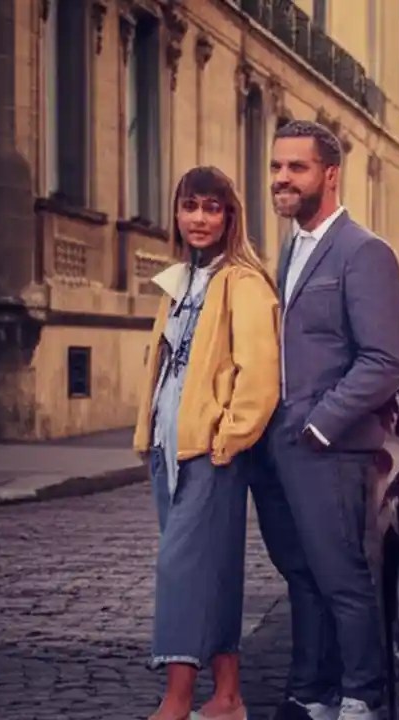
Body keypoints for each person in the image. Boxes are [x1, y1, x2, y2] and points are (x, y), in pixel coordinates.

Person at [252, 120, 399, 720]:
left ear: (330, 175)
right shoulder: (293, 247)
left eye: (297, 168)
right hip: (282, 446)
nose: (282, 179)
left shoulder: (365, 253)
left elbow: (384, 360)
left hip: (330, 447)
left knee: (343, 579)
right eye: (276, 167)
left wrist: (320, 426)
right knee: (304, 576)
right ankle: (312, 691)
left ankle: (361, 697)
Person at [133, 166, 281, 720]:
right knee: (210, 569)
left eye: (211, 208)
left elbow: (259, 372)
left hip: (209, 452)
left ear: (229, 216)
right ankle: (227, 698)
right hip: (167, 449)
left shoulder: (243, 282)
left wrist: (228, 438)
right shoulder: (180, 281)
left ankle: (175, 701)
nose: (199, 218)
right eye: (189, 206)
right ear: (177, 213)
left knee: (179, 568)